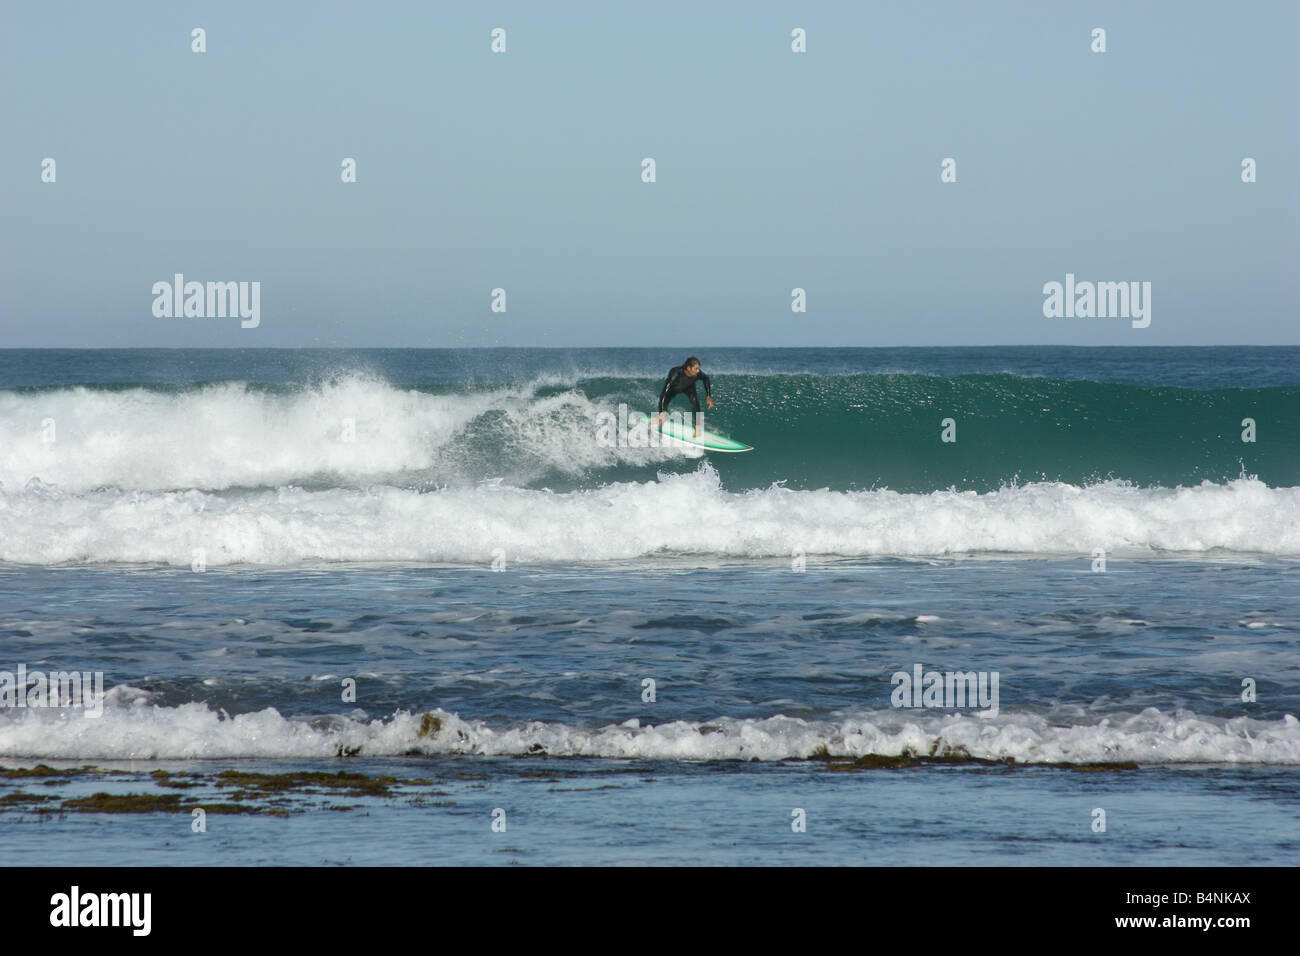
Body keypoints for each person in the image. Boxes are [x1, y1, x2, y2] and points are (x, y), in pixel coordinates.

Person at [652, 356, 714, 437]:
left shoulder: (697, 374)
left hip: (689, 387)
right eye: (696, 368)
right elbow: (664, 393)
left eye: (698, 368)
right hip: (673, 388)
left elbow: (706, 378)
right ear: (688, 368)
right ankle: (661, 417)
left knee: (695, 402)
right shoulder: (676, 373)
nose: (698, 371)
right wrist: (661, 412)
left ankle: (697, 427)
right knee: (665, 402)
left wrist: (708, 396)